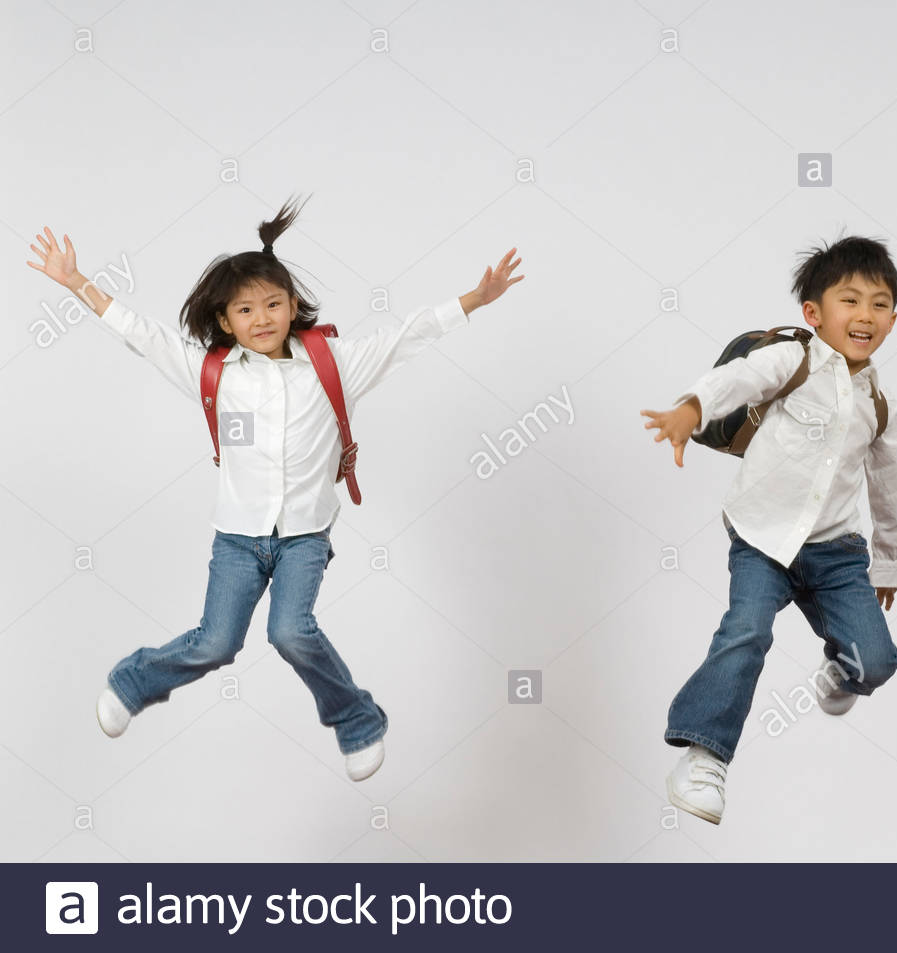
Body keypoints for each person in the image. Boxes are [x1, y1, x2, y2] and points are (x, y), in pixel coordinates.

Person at [24, 196, 523, 781]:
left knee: (289, 631)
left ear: (292, 306)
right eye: (244, 310)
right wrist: (77, 281)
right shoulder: (214, 372)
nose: (261, 318)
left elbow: (407, 335)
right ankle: (134, 681)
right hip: (237, 536)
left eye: (272, 303)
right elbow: (142, 334)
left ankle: (357, 721)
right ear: (224, 321)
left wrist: (475, 301)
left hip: (305, 535)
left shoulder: (330, 363)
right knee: (215, 644)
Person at [640, 236, 897, 823]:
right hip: (764, 539)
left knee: (879, 661)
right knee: (745, 632)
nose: (865, 315)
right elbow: (739, 379)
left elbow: (892, 491)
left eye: (880, 303)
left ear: (893, 318)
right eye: (850, 300)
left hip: (836, 553)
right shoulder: (793, 359)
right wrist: (692, 409)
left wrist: (891, 563)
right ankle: (702, 754)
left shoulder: (882, 407)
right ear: (814, 314)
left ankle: (841, 671)